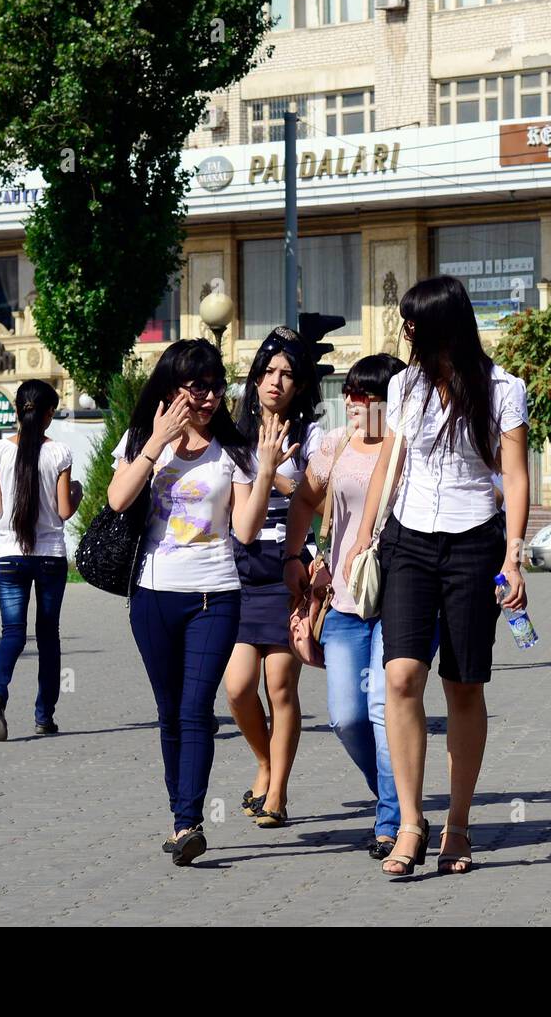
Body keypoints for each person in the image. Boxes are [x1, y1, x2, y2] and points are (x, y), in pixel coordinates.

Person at [344, 275, 530, 878]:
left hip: (475, 544)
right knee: (400, 676)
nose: (406, 333)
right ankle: (408, 823)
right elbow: (387, 467)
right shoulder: (403, 387)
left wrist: (514, 556)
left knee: (463, 686)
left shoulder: (504, 390)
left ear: (442, 326)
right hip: (408, 543)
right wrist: (359, 536)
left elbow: (517, 478)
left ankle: (458, 822)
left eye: (413, 323)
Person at [107, 338, 293, 867]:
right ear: (172, 387)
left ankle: (189, 822)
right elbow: (118, 499)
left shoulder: (231, 450)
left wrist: (264, 468)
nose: (210, 397)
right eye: (198, 386)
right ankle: (179, 815)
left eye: (216, 387)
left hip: (214, 595)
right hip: (151, 597)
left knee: (195, 710)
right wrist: (155, 443)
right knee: (169, 713)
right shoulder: (143, 439)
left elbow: (247, 529)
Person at [285, 353, 410, 860]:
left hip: (400, 597)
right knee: (346, 716)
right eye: (350, 393)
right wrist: (298, 556)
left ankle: (392, 821)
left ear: (393, 401)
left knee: (383, 708)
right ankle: (393, 792)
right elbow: (302, 501)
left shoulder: (411, 450)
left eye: (367, 395)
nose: (354, 403)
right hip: (342, 599)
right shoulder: (335, 447)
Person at [223, 326, 324, 829]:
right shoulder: (234, 440)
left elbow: (322, 497)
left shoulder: (314, 439)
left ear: (301, 385)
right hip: (241, 575)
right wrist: (261, 466)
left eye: (287, 374)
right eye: (267, 372)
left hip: (289, 573)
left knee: (280, 683)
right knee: (239, 687)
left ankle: (277, 792)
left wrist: (280, 473)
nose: (275, 382)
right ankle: (264, 762)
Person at [0, 379, 81, 741]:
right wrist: (78, 494)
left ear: (18, 411)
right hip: (51, 557)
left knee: (12, 634)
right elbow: (65, 511)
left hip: (10, 556)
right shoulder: (59, 454)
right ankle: (44, 715)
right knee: (48, 637)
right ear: (49, 413)